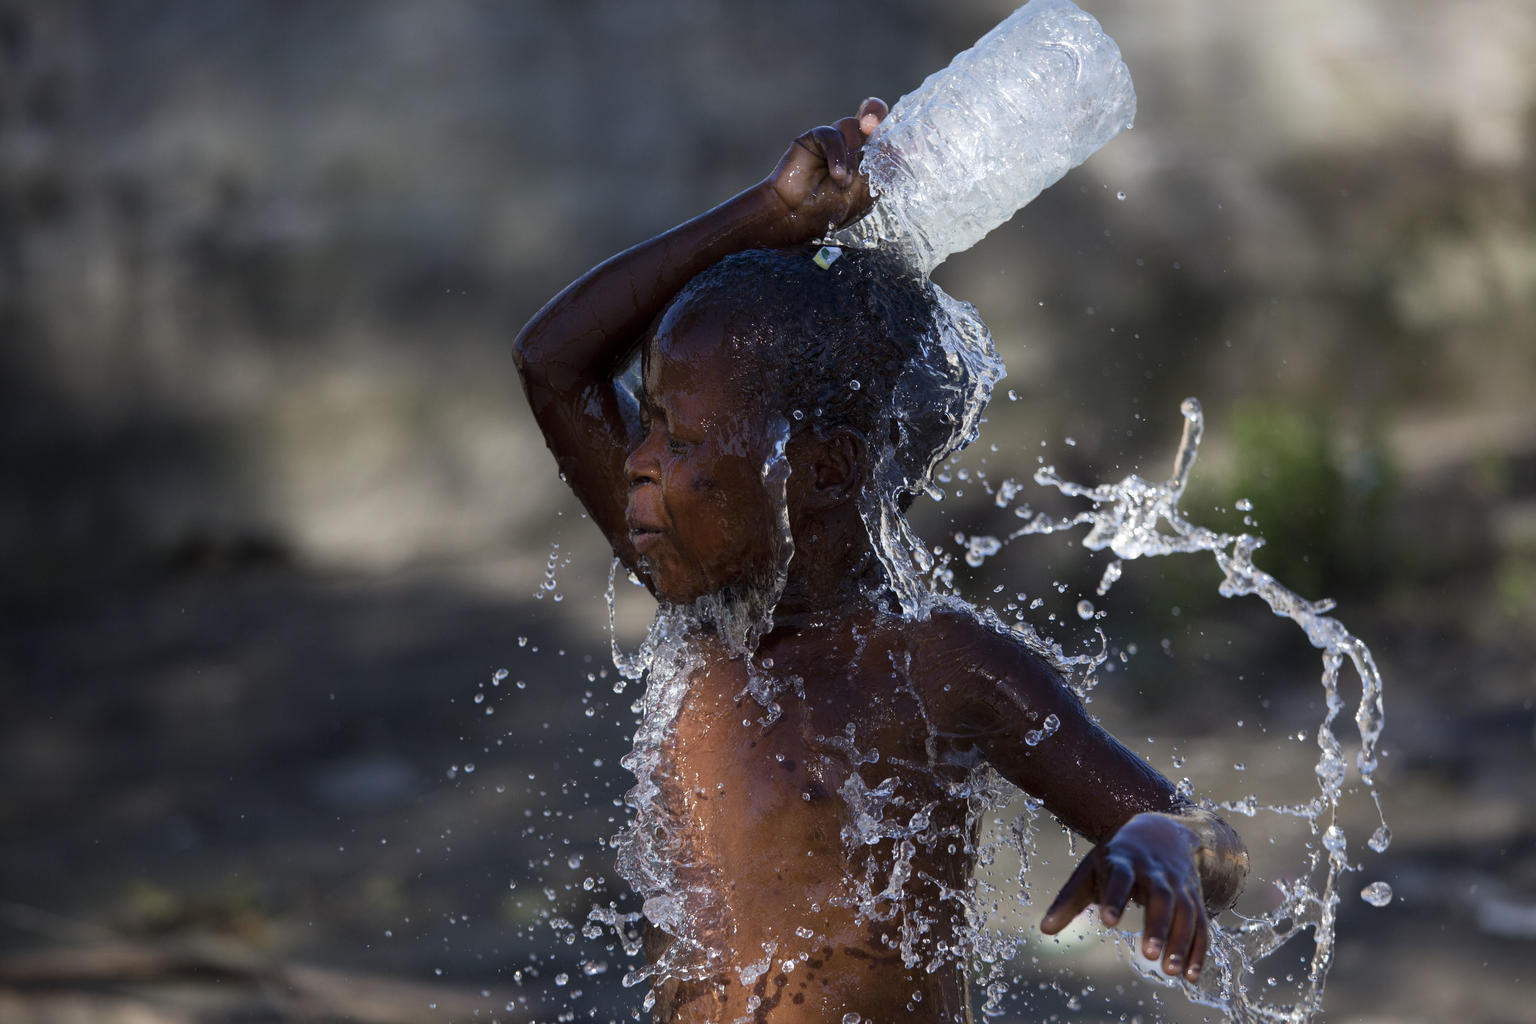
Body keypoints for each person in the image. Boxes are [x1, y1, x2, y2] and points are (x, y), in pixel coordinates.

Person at [514, 98, 1248, 1024]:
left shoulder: (932, 666)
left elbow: (1210, 840)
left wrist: (1168, 843)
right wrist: (765, 216)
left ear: (821, 472)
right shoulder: (698, 602)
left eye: (679, 437)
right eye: (647, 425)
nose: (638, 462)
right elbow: (552, 363)